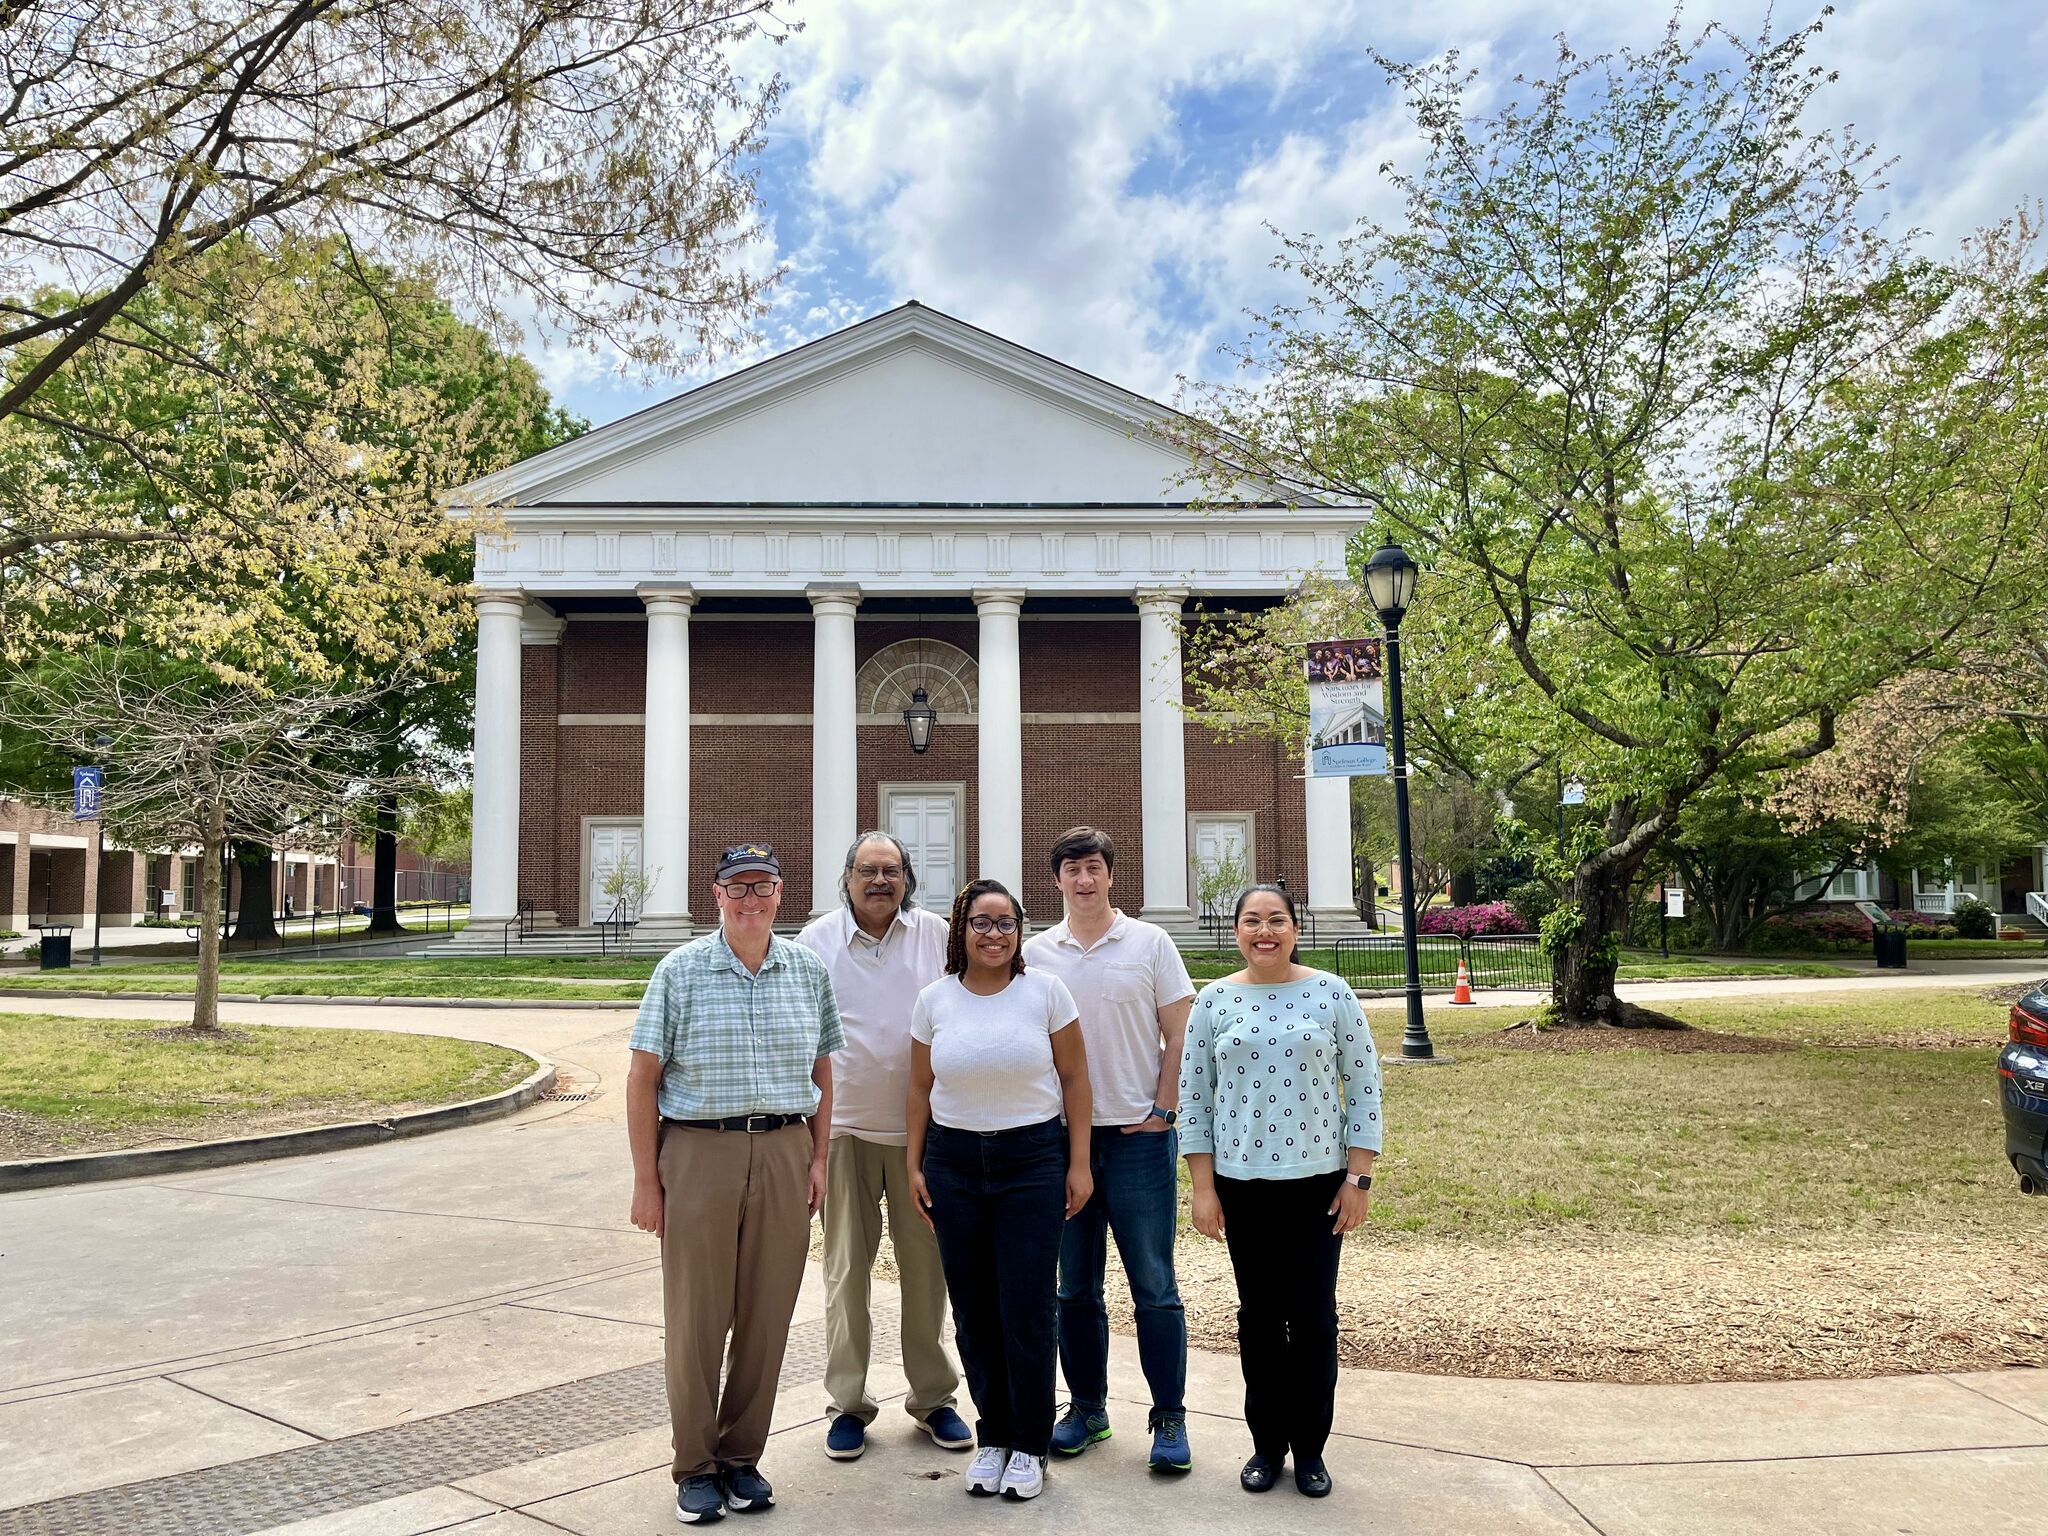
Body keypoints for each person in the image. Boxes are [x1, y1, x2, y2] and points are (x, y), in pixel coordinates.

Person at [626, 843, 844, 1525]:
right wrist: (646, 1181)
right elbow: (641, 1080)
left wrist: (818, 1159)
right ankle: (694, 1466)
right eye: (737, 888)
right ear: (715, 895)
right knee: (697, 1319)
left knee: (766, 1316)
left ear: (781, 893)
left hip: (784, 1148)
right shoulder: (680, 971)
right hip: (698, 1152)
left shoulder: (807, 971)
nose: (751, 900)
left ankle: (741, 1458)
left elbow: (824, 1073)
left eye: (763, 887)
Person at [1179, 882, 1382, 1500]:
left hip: (1318, 1187)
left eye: (1275, 920)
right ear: (1235, 930)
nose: (1263, 931)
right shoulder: (1213, 1002)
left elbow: (1364, 1087)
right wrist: (1202, 1188)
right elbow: (1192, 1098)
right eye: (1250, 921)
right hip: (1242, 1188)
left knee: (1315, 1320)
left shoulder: (1331, 993)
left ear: (1295, 927)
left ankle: (1310, 1449)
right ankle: (1268, 1445)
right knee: (1259, 1320)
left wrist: (1358, 1177)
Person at [906, 879, 1093, 1503]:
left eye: (1006, 923)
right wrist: (915, 1165)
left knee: (1028, 1306)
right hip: (954, 1163)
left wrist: (1079, 1164)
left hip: (1032, 1161)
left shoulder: (1046, 992)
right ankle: (994, 1436)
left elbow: (1074, 1079)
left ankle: (1030, 1444)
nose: (994, 934)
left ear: (1021, 931)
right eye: (981, 923)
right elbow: (917, 1089)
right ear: (961, 930)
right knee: (975, 1307)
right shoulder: (934, 1000)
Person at [1021, 826, 1196, 1471]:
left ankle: (1169, 1418)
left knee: (1153, 1284)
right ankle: (1088, 1409)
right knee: (1074, 1288)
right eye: (1072, 870)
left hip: (1138, 1142)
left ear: (1110, 876)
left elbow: (1178, 1033)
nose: (1084, 880)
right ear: (1058, 880)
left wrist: (1163, 1111)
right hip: (1063, 1143)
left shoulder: (1149, 943)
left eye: (1093, 868)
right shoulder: (1038, 954)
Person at [795, 832, 971, 1462]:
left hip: (921, 1139)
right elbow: (798, 1036)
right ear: (846, 878)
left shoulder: (935, 936)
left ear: (907, 879)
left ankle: (933, 1399)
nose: (879, 881)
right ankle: (846, 1404)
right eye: (867, 871)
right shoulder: (813, 943)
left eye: (891, 871)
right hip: (841, 1134)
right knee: (846, 1272)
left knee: (928, 1273)